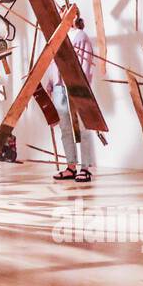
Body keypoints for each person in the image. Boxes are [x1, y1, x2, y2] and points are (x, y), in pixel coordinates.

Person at [45, 17, 98, 182]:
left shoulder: (81, 36)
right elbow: (54, 63)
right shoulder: (59, 36)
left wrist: (82, 87)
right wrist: (50, 83)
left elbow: (86, 64)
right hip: (60, 88)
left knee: (83, 128)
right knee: (66, 129)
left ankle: (86, 167)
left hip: (76, 87)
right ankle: (71, 166)